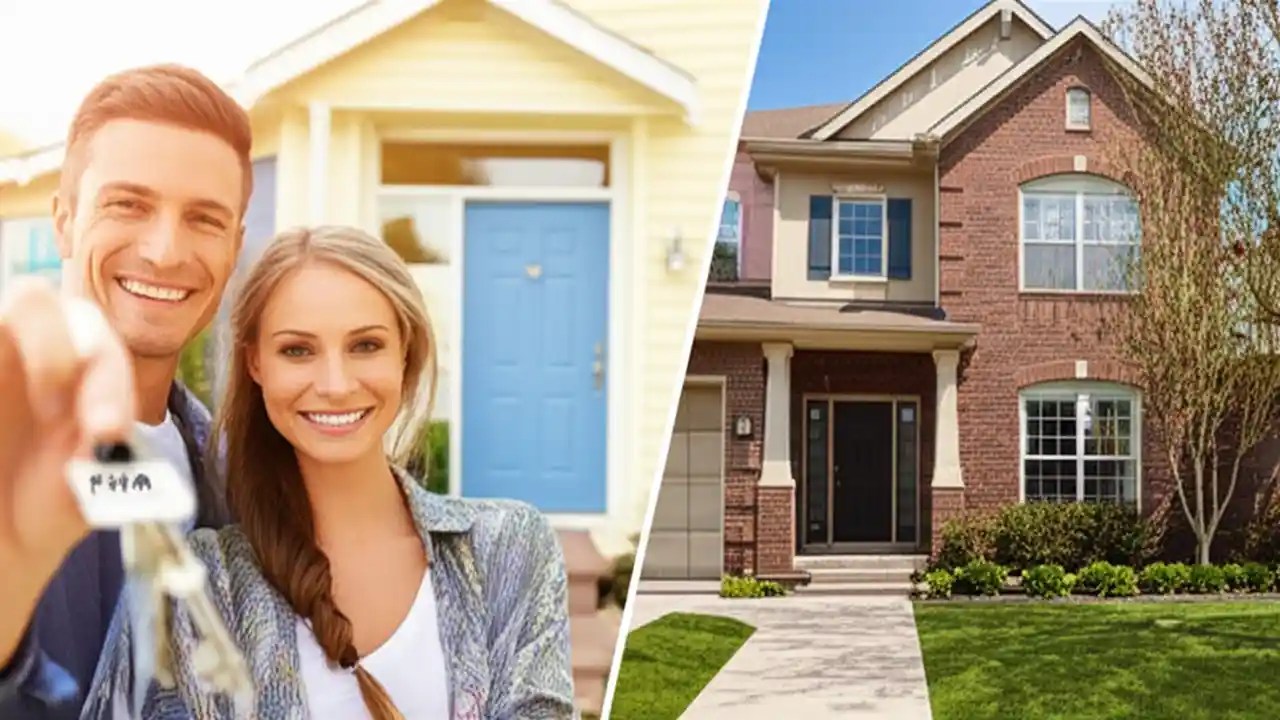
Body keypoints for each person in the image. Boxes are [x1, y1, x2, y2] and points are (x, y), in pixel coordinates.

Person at [80, 225, 575, 719]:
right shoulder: (193, 586)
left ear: (405, 352)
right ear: (256, 364)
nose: (336, 385)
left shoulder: (508, 548)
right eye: (298, 350)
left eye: (366, 346)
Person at [0, 64, 251, 719]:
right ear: (63, 220)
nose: (165, 252)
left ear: (235, 247)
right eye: (128, 205)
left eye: (204, 219)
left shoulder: (240, 487)